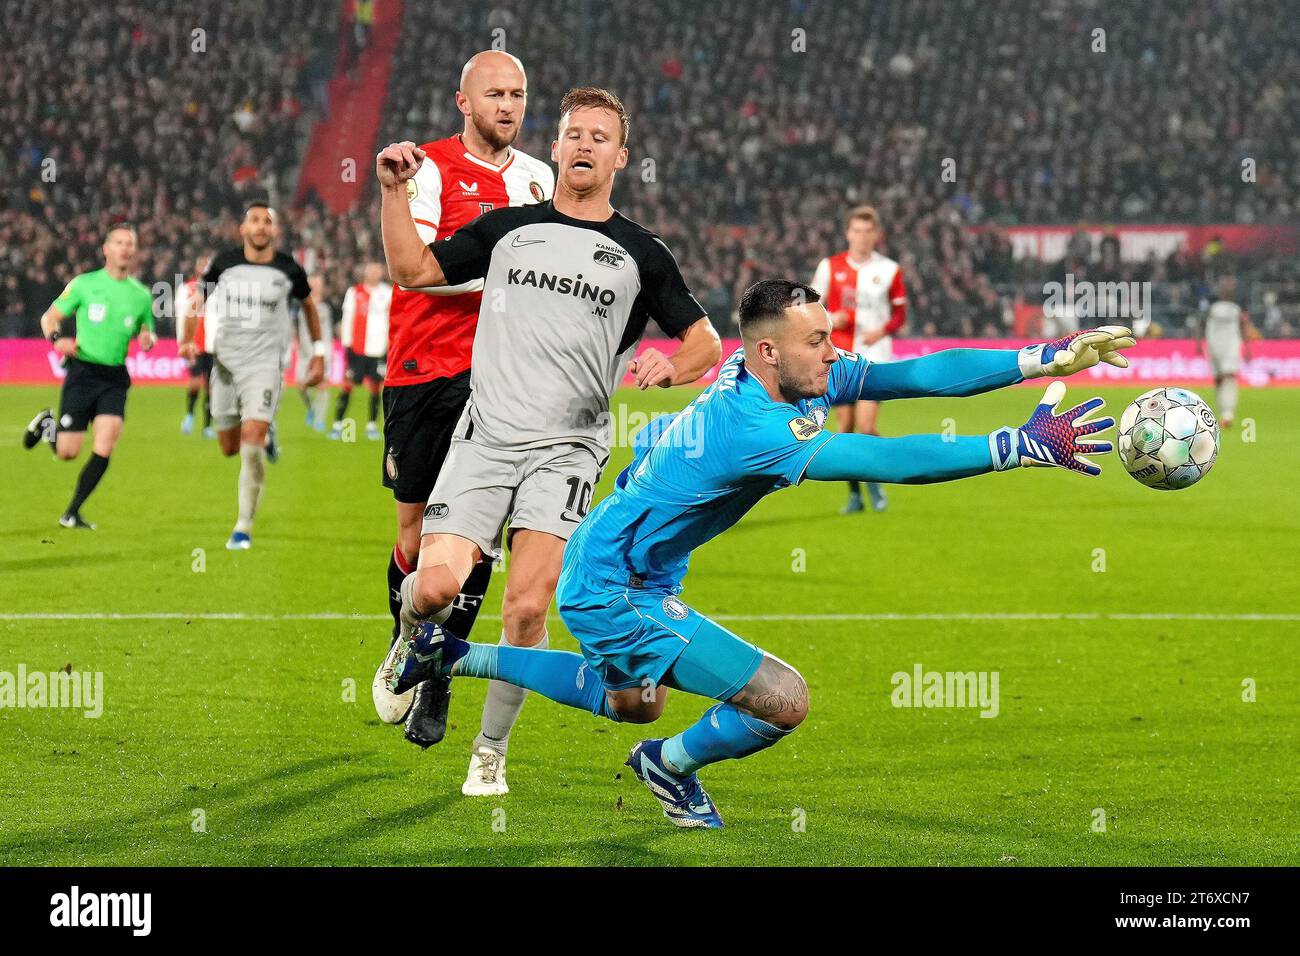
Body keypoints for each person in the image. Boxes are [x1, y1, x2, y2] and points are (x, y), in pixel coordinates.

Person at [387, 280, 1135, 829]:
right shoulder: (760, 426)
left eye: (830, 335)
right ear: (770, 349)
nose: (833, 351)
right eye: (819, 340)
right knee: (784, 700)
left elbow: (908, 376)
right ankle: (669, 766)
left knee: (631, 702)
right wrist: (1017, 446)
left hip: (625, 559)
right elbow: (889, 461)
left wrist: (1045, 358)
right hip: (613, 582)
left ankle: (447, 654)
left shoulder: (777, 376)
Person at [373, 85, 722, 796]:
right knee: (434, 588)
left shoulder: (640, 254)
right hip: (485, 437)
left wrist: (671, 364)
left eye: (601, 136)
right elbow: (412, 272)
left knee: (528, 608)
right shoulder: (508, 228)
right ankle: (411, 638)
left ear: (620, 157)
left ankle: (490, 749)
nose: (586, 144)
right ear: (555, 149)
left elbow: (705, 341)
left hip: (566, 452)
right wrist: (391, 192)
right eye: (574, 134)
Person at [373, 50, 555, 765]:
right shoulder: (428, 167)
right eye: (495, 94)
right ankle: (407, 639)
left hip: (502, 376)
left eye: (518, 93)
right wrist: (500, 275)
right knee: (417, 537)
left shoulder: (540, 178)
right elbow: (414, 270)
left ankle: (442, 669)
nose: (509, 105)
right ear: (463, 102)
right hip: (424, 367)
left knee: (476, 532)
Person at [180, 202, 325, 549]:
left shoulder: (289, 268)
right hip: (226, 364)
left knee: (250, 447)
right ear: (243, 229)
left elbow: (308, 307)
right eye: (254, 221)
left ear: (275, 231)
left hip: (265, 365)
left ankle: (243, 526)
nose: (261, 227)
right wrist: (186, 339)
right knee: (229, 447)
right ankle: (264, 428)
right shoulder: (224, 264)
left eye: (268, 222)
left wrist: (317, 354)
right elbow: (197, 300)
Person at [21, 225, 156, 529]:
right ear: (106, 249)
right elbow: (50, 316)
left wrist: (147, 336)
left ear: (134, 252)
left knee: (106, 444)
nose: (124, 248)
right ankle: (47, 425)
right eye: (118, 242)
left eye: (129, 244)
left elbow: (145, 327)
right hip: (83, 372)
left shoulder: (141, 295)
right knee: (68, 452)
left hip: (115, 378)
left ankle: (72, 512)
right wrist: (57, 340)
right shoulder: (84, 284)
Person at [810, 205, 906, 514]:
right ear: (848, 233)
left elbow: (900, 313)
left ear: (877, 235)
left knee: (866, 426)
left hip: (874, 355)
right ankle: (855, 495)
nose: (862, 237)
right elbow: (810, 306)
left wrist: (883, 330)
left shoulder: (890, 269)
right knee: (846, 427)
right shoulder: (830, 266)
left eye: (868, 231)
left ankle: (875, 484)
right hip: (836, 357)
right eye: (857, 231)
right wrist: (828, 317)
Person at [332, 262, 390, 441]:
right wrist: (346, 342)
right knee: (348, 384)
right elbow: (347, 318)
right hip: (356, 347)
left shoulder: (387, 293)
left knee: (376, 386)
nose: (374, 273)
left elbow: (392, 318)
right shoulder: (354, 292)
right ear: (365, 273)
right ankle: (338, 424)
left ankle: (371, 425)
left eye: (377, 270)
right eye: (371, 270)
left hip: (378, 348)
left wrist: (389, 342)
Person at [1198, 276, 1254, 428]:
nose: (1229, 288)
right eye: (1226, 284)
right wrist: (1198, 342)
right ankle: (1222, 410)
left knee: (1230, 375)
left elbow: (1244, 324)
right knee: (1218, 379)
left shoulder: (1239, 305)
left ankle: (1228, 413)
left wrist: (1248, 347)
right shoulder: (1211, 302)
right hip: (1213, 344)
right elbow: (1201, 322)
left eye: (1232, 285)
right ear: (1221, 287)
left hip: (1232, 344)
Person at [178, 252, 215, 438]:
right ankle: (190, 415)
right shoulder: (187, 288)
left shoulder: (218, 289)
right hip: (194, 344)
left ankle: (208, 426)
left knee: (211, 386)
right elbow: (181, 315)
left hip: (213, 344)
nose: (206, 268)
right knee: (194, 383)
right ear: (197, 267)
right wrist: (183, 341)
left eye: (209, 265)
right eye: (203, 264)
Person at [298, 273, 334, 432]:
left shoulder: (325, 308)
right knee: (301, 385)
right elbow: (301, 331)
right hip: (305, 352)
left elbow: (327, 332)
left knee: (321, 386)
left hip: (322, 352)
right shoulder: (302, 307)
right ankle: (311, 409)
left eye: (317, 283)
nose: (315, 285)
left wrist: (324, 353)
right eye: (312, 282)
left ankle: (319, 420)